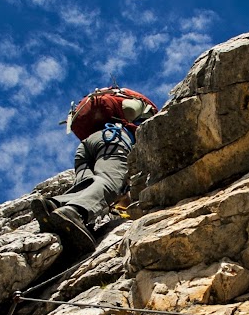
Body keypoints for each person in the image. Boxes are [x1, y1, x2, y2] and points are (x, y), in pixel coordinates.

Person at [33, 85, 158, 251]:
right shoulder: (147, 112)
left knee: (87, 183)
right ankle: (74, 212)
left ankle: (54, 205)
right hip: (113, 138)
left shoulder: (112, 102)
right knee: (111, 182)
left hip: (86, 146)